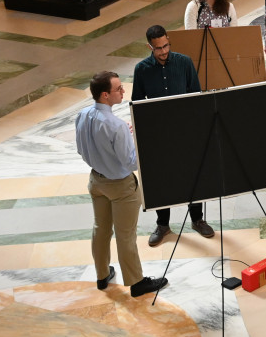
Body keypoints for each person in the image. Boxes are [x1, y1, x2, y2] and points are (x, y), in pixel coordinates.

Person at [76, 71, 168, 297]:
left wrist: (119, 140)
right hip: (120, 187)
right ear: (105, 95)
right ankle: (136, 283)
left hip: (96, 181)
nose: (123, 91)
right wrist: (135, 139)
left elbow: (81, 148)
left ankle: (101, 276)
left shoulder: (83, 115)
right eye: (118, 89)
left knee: (101, 229)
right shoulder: (116, 126)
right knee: (125, 235)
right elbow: (131, 162)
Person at [132, 25, 213, 247]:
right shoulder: (141, 69)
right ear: (150, 46)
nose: (164, 51)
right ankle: (163, 224)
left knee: (193, 174)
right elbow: (138, 103)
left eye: (166, 45)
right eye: (158, 48)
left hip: (186, 129)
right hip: (159, 133)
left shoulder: (185, 62)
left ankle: (197, 219)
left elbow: (196, 96)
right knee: (161, 178)